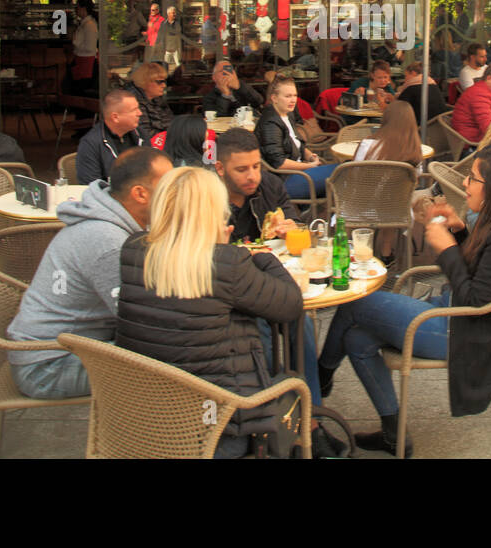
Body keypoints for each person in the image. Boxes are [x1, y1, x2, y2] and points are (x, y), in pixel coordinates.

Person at [316, 147, 491, 456]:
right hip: (452, 314)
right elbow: (485, 271)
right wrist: (461, 230)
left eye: (472, 178)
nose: (465, 184)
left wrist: (447, 250)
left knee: (354, 303)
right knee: (356, 337)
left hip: (460, 331)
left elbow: (474, 300)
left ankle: (319, 379)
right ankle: (392, 433)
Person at [115, 166, 342, 459]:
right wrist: (265, 259)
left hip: (146, 420)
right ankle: (310, 430)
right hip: (220, 426)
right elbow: (289, 305)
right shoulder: (227, 263)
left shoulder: (132, 250)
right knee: (285, 377)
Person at [8, 148, 172, 400]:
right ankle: (154, 436)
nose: (175, 193)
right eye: (168, 185)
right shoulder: (107, 242)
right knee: (173, 358)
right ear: (140, 194)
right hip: (47, 366)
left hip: (65, 347)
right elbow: (141, 323)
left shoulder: (115, 222)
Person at [255, 74, 336, 198]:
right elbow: (279, 163)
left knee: (344, 172)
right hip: (285, 180)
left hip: (299, 174)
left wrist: (310, 156)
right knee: (343, 171)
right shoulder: (270, 123)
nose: (293, 100)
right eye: (288, 96)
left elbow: (298, 143)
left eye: (295, 95)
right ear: (274, 98)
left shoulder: (288, 115)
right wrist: (308, 166)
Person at [215, 128, 299, 243]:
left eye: (256, 166)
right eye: (241, 169)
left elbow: (294, 221)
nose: (253, 176)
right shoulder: (204, 200)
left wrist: (292, 229)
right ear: (220, 168)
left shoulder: (271, 185)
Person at [76, 89, 147, 184]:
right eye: (134, 110)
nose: (140, 113)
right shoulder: (90, 143)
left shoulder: (140, 134)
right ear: (115, 117)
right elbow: (92, 188)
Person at [450, 61, 491, 144]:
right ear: (489, 78)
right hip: (471, 145)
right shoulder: (480, 95)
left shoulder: (481, 90)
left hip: (474, 139)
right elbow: (488, 129)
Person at [355, 100, 425, 169]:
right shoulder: (414, 150)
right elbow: (416, 175)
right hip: (401, 180)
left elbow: (355, 170)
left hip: (367, 179)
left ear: (385, 119)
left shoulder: (367, 145)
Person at [124, 62, 173, 142]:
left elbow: (171, 123)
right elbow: (145, 133)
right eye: (159, 81)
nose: (164, 85)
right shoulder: (134, 101)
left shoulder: (157, 99)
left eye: (164, 81)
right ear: (145, 81)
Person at [394, 61, 446, 126]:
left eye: (406, 76)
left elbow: (397, 111)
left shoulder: (412, 88)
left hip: (422, 128)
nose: (405, 80)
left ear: (413, 73)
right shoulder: (433, 85)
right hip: (438, 125)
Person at [70, 0, 99, 94]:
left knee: (82, 89)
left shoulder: (89, 25)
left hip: (86, 61)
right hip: (82, 60)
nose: (76, 10)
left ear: (83, 9)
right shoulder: (85, 23)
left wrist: (77, 45)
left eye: (77, 8)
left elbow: (90, 47)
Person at [159, 6, 187, 71]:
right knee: (165, 68)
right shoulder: (163, 24)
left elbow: (179, 36)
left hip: (176, 49)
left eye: (175, 13)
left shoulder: (178, 24)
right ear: (168, 14)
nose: (174, 14)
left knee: (179, 67)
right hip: (167, 50)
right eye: (173, 13)